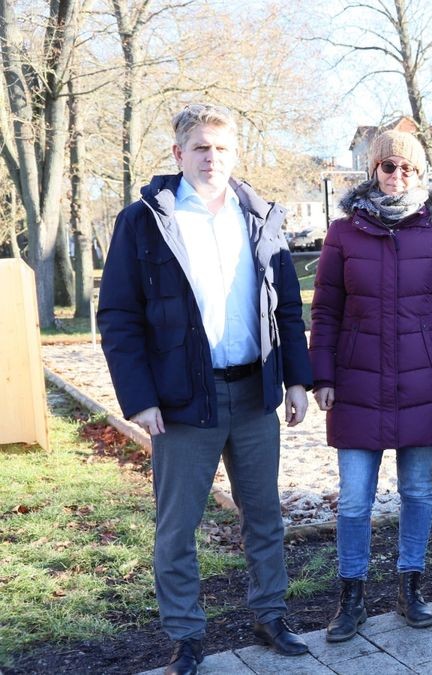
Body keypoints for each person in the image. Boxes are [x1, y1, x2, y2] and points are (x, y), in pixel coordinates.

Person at [97, 103, 313, 674]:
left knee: (264, 514)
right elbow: (118, 316)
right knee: (178, 527)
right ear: (178, 154)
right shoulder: (145, 221)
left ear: (235, 152)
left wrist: (298, 378)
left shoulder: (260, 217)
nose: (211, 158)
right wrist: (139, 398)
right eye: (200, 148)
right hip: (181, 402)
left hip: (254, 393)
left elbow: (286, 306)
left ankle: (270, 614)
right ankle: (187, 637)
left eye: (221, 148)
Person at [309, 131, 432, 640]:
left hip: (424, 383)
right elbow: (326, 309)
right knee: (356, 499)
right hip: (356, 384)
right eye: (388, 167)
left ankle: (410, 588)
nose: (397, 176)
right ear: (372, 170)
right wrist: (322, 374)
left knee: (417, 492)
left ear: (421, 175)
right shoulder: (343, 233)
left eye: (408, 168)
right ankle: (352, 596)